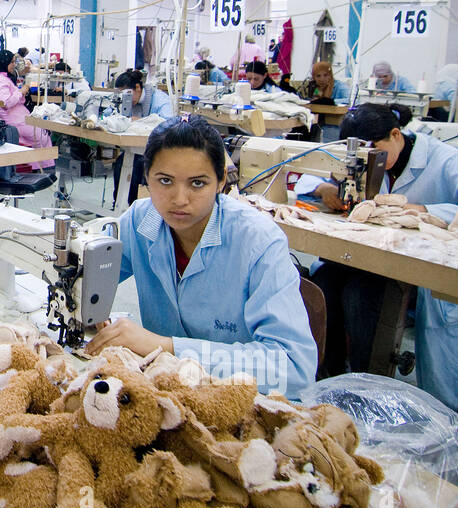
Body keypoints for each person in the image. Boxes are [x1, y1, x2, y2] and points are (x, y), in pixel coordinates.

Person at [85, 116, 318, 399]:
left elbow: (295, 370)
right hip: (167, 393)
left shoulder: (259, 242)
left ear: (220, 181)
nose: (179, 199)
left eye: (197, 183)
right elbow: (89, 274)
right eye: (165, 181)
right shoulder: (140, 221)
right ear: (146, 177)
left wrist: (167, 347)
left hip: (238, 403)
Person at [304, 104, 458, 409]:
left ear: (395, 134)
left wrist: (428, 212)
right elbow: (305, 177)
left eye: (375, 152)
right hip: (369, 256)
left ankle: (368, 389)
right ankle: (331, 378)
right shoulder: (364, 157)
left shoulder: (445, 161)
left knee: (363, 296)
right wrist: (324, 187)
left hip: (418, 269)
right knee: (322, 282)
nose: (368, 163)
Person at [110, 69, 175, 209]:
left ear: (138, 88)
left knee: (134, 165)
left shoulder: (160, 99)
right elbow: (112, 112)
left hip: (159, 150)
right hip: (136, 148)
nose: (124, 98)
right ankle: (119, 205)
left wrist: (140, 121)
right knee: (121, 163)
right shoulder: (128, 102)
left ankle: (132, 207)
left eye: (126, 94)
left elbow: (168, 125)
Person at [0, 50, 54, 170]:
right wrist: (22, 90)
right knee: (40, 136)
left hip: (17, 117)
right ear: (4, 63)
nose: (14, 65)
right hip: (14, 120)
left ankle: (42, 168)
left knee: (44, 135)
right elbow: (6, 102)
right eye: (12, 62)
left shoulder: (1, 77)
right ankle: (39, 168)